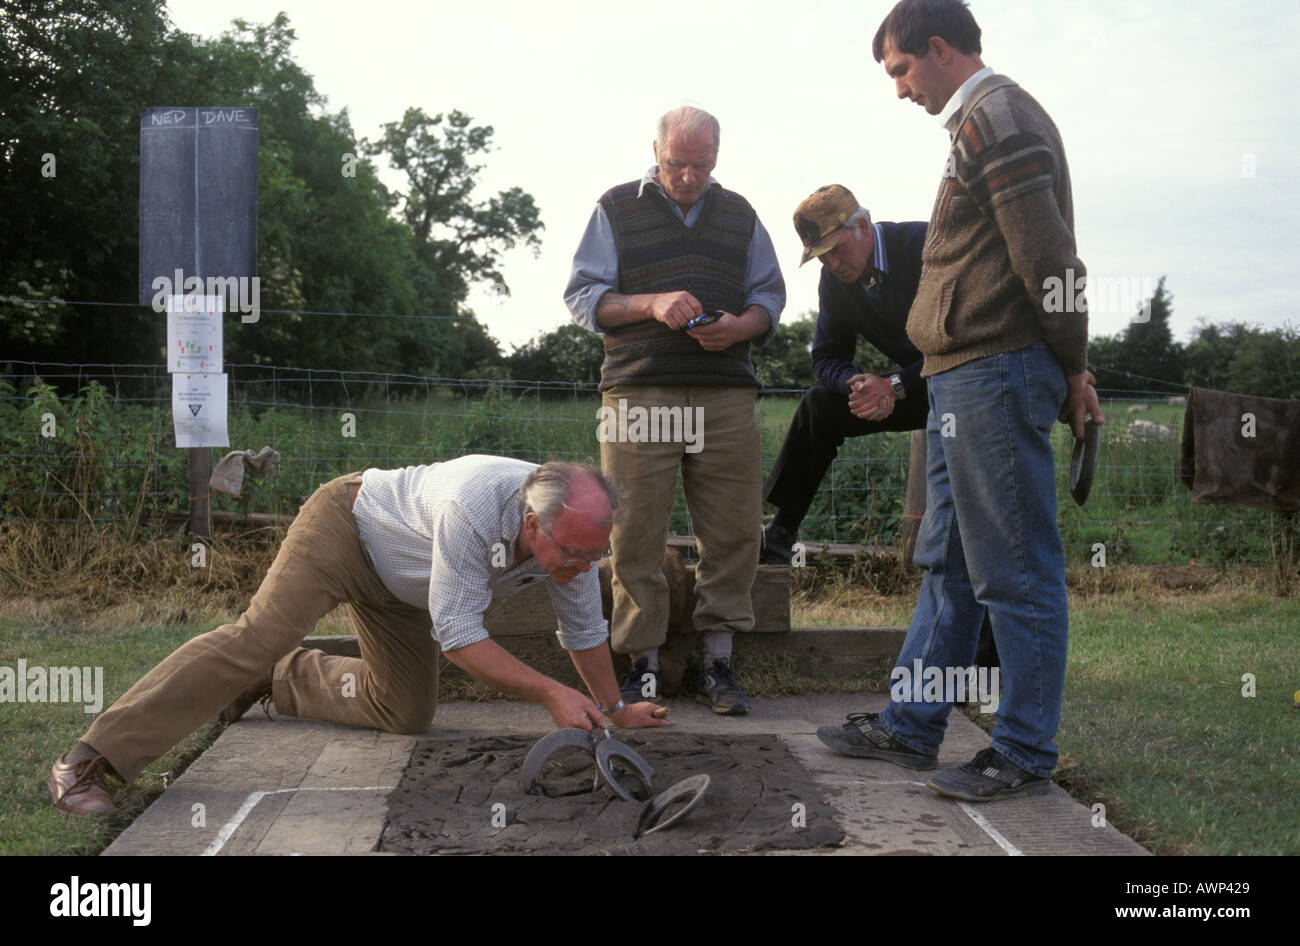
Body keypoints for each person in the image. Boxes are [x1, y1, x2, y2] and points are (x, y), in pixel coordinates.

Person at [817, 0, 1104, 801]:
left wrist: (1072, 367)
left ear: (939, 48)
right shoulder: (978, 122)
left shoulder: (996, 119)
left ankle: (1022, 750)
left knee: (1014, 570)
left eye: (902, 70)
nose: (900, 90)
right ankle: (912, 728)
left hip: (995, 369)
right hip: (959, 374)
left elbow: (1051, 262)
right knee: (947, 565)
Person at [48, 455, 668, 817]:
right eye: (573, 555)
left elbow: (584, 629)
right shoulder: (476, 504)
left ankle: (281, 678)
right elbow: (457, 634)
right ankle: (90, 761)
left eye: (595, 556)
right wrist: (549, 695)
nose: (583, 568)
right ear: (534, 523)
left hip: (405, 584)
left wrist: (613, 708)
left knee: (406, 712)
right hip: (348, 531)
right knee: (256, 636)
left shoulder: (575, 542)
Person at [564, 106, 786, 715]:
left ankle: (718, 663)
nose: (688, 176)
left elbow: (770, 294)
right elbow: (584, 297)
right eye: (676, 163)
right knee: (633, 531)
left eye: (701, 164)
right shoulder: (615, 207)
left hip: (725, 392)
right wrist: (652, 302)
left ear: (716, 157)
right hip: (639, 390)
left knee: (736, 530)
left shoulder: (741, 214)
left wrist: (741, 325)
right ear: (655, 151)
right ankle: (643, 667)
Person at [762, 184, 929, 564]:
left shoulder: (925, 246)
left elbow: (961, 342)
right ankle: (781, 531)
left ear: (864, 228)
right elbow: (826, 357)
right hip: (911, 387)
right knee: (820, 405)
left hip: (969, 380)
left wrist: (895, 386)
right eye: (822, 258)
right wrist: (858, 385)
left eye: (836, 249)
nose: (833, 265)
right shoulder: (838, 281)